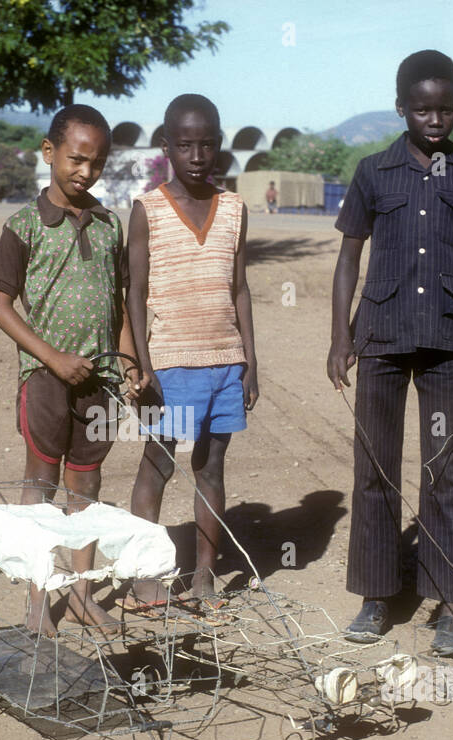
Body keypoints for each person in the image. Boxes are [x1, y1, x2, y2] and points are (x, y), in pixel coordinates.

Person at [327, 50, 453, 658]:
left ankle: (452, 605)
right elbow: (349, 256)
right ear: (401, 104)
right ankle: (378, 597)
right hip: (380, 338)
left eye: (446, 107)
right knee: (374, 470)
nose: (435, 119)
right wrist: (339, 337)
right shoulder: (373, 172)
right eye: (423, 107)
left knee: (447, 474)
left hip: (448, 346)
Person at [0, 104, 139, 636]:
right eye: (75, 159)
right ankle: (37, 600)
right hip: (46, 378)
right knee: (39, 485)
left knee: (87, 486)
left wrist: (129, 362)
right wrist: (52, 358)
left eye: (96, 163)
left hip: (100, 381)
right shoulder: (23, 225)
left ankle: (81, 593)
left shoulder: (109, 223)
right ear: (48, 153)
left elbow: (118, 304)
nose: (85, 172)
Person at [128, 93, 258, 609]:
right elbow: (133, 293)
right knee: (157, 465)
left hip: (225, 360)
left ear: (219, 146)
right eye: (185, 145)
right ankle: (144, 575)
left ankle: (204, 576)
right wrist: (142, 363)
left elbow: (240, 287)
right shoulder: (148, 210)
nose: (198, 156)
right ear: (167, 147)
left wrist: (250, 361)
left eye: (207, 145)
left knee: (211, 469)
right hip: (171, 364)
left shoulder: (234, 208)